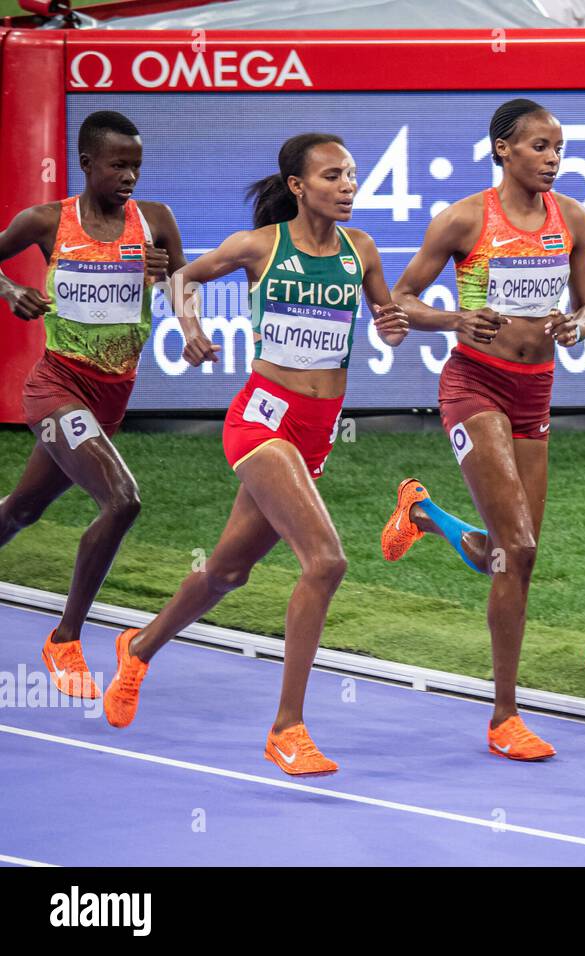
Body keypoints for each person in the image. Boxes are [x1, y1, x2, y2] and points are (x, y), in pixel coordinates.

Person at [102, 133, 409, 777]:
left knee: (226, 572)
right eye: (332, 176)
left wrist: (427, 323)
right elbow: (183, 276)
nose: (348, 185)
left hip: (317, 430)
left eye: (351, 174)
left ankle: (138, 648)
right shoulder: (260, 246)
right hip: (262, 419)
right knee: (325, 562)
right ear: (298, 187)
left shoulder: (362, 250)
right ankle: (287, 728)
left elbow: (391, 314)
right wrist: (191, 326)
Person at [380, 99, 585, 761]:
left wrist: (576, 325)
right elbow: (400, 300)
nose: (552, 159)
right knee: (520, 545)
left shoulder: (573, 220)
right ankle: (504, 716)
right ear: (503, 149)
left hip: (536, 392)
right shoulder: (466, 219)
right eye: (539, 146)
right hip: (474, 386)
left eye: (558, 148)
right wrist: (453, 320)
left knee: (513, 556)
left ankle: (424, 514)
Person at [0, 110, 184, 700]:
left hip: (110, 397)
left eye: (137, 165)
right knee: (123, 500)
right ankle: (65, 637)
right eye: (118, 164)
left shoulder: (155, 222)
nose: (130, 175)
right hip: (56, 386)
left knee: (23, 510)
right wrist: (11, 291)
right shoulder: (46, 221)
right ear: (86, 163)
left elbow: (186, 283)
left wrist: (178, 295)